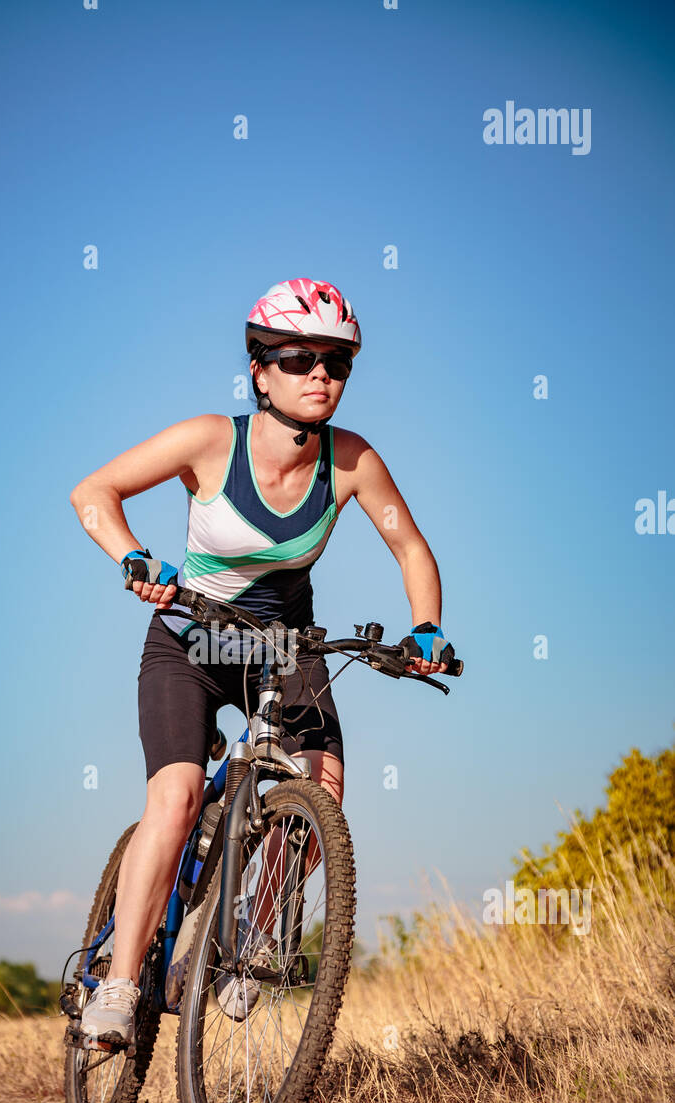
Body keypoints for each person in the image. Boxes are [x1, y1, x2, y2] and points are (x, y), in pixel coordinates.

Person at [69, 276, 454, 1048]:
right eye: (299, 358)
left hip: (285, 648)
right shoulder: (212, 442)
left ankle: (245, 942)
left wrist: (425, 630)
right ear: (259, 370)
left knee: (324, 789)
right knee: (175, 799)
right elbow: (95, 491)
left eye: (337, 364)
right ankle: (116, 983)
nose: (321, 375)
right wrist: (133, 556)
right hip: (191, 642)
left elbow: (408, 544)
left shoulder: (351, 463)